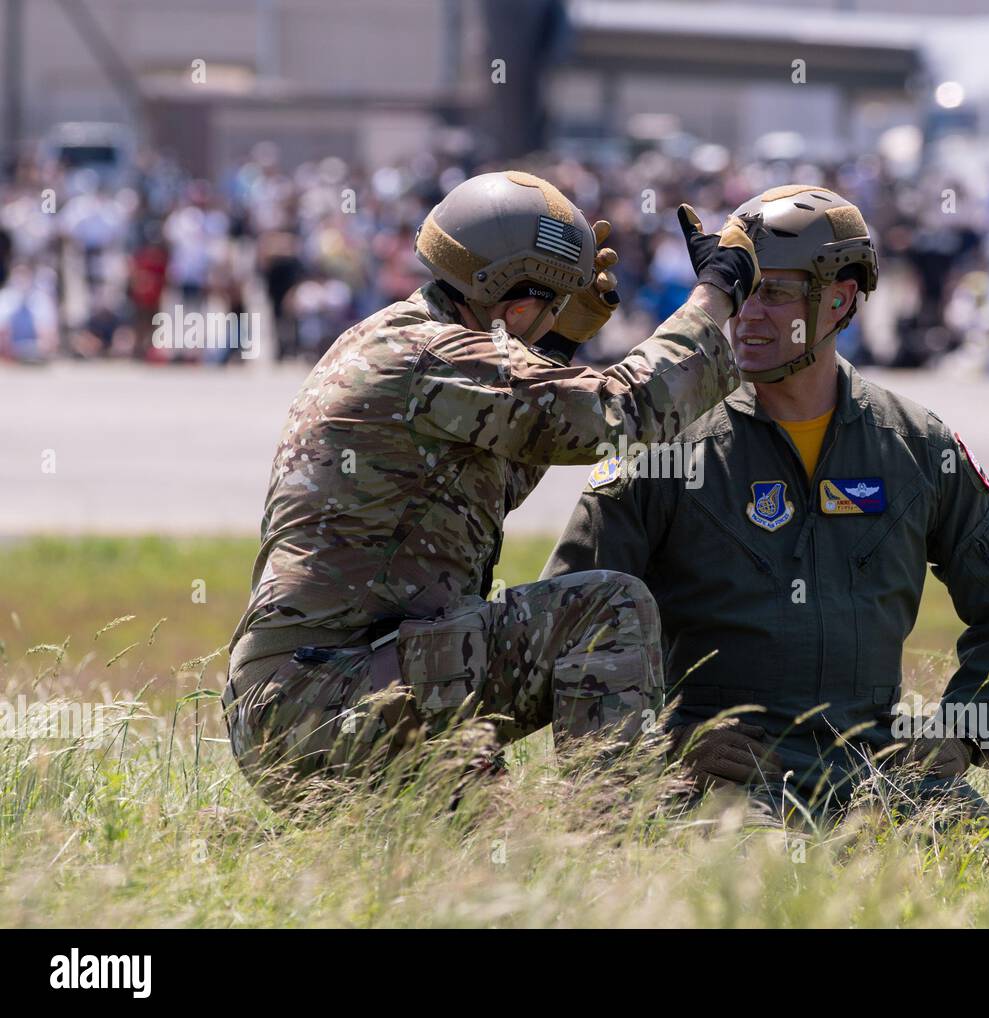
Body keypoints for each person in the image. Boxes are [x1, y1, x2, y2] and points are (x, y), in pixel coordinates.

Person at [223, 169, 762, 805]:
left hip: (319, 697)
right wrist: (715, 296)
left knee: (494, 853)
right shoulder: (439, 356)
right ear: (516, 302)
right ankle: (612, 841)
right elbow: (622, 412)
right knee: (606, 608)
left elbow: (490, 478)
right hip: (334, 694)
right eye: (550, 305)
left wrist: (555, 342)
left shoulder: (390, 340)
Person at [543, 185, 989, 830]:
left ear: (837, 300)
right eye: (737, 292)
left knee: (987, 867)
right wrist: (657, 745)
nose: (746, 315)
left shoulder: (914, 445)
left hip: (871, 768)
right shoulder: (661, 443)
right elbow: (570, 616)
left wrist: (963, 733)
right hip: (720, 778)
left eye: (773, 293)